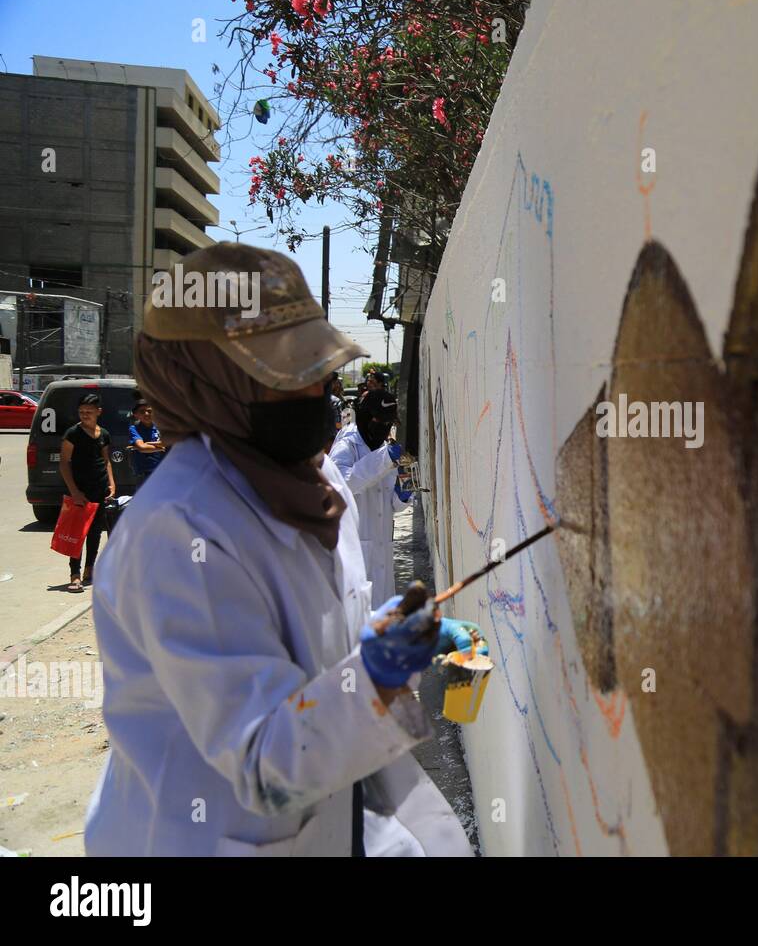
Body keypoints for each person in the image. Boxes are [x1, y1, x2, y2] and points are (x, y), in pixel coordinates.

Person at [84, 242, 483, 857]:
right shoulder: (179, 532)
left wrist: (391, 635)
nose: (319, 386)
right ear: (208, 382)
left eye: (315, 366)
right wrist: (373, 679)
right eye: (287, 372)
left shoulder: (312, 485)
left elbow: (304, 644)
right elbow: (265, 760)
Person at [329, 387, 410, 600]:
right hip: (356, 550)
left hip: (382, 548)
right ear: (366, 418)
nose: (384, 429)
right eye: (380, 422)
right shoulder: (347, 444)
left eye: (388, 424)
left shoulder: (381, 446)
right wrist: (384, 460)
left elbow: (389, 505)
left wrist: (403, 494)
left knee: (382, 616)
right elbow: (343, 483)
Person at [58, 393, 115, 592]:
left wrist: (111, 483)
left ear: (99, 412)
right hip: (79, 491)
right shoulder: (72, 434)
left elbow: (105, 460)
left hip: (99, 489)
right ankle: (74, 574)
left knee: (95, 532)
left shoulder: (104, 434)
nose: (85, 415)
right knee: (77, 533)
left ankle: (90, 570)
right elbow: (64, 463)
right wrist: (74, 491)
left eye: (89, 412)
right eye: (81, 412)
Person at [128, 400, 167, 484]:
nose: (146, 414)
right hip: (143, 473)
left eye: (149, 411)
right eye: (142, 412)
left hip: (162, 471)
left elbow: (167, 443)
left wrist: (147, 443)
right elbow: (142, 448)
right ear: (136, 415)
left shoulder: (161, 427)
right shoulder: (134, 428)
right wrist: (161, 447)